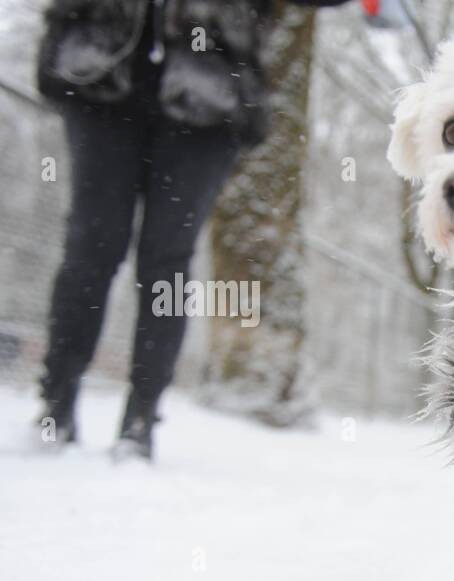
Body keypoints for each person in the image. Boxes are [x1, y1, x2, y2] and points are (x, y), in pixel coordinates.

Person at [35, 0, 350, 460]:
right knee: (92, 244)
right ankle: (56, 405)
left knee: (168, 259)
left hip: (210, 85)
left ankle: (141, 417)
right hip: (101, 66)